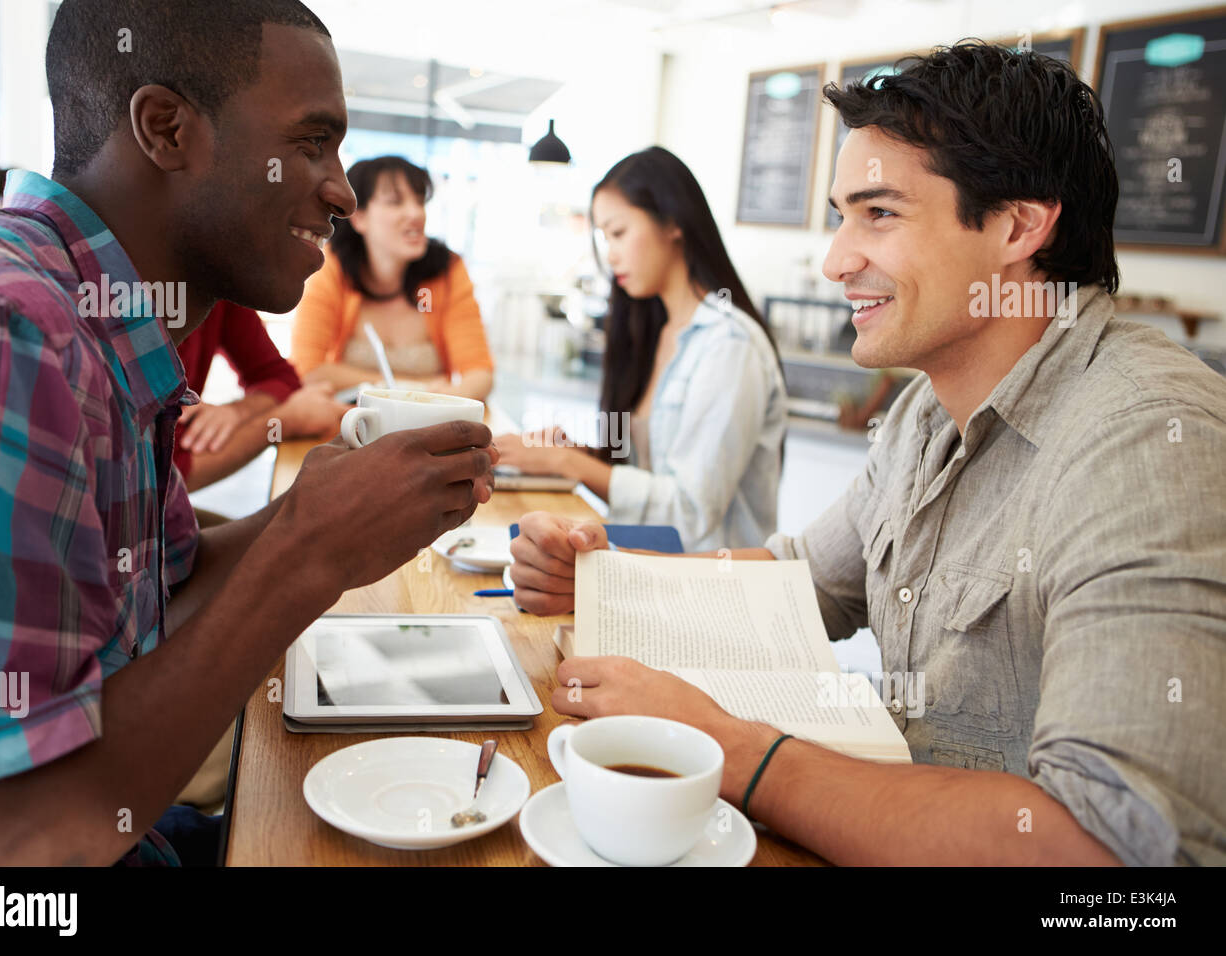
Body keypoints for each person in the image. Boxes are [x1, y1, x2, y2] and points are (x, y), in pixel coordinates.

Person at [508, 43, 1226, 865]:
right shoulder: (927, 409)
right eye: (842, 215)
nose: (835, 260)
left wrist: (731, 748)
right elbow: (800, 580)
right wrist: (606, 581)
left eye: (878, 214)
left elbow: (1116, 853)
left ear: (1018, 225)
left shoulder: (1151, 439)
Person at [0, 0, 496, 866]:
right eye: (312, 143)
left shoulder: (102, 317)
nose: (342, 191)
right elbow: (0, 844)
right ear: (165, 129)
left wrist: (323, 508)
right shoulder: (2, 324)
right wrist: (310, 552)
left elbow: (165, 591)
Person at [495, 147, 787, 551]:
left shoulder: (729, 345)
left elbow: (691, 513)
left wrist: (569, 464)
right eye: (604, 238)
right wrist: (576, 453)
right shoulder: (656, 332)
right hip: (648, 573)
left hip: (713, 594)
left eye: (618, 233)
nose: (610, 254)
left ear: (672, 223)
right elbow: (651, 478)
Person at [290, 155, 494, 401]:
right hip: (353, 421)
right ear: (360, 218)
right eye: (395, 202)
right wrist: (406, 387)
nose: (416, 213)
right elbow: (307, 369)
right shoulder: (332, 269)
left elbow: (479, 372)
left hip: (429, 421)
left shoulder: (448, 270)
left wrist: (454, 398)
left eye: (419, 201)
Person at [174, 300, 349, 491]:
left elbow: (280, 377)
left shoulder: (220, 286)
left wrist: (238, 412)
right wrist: (283, 423)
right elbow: (170, 472)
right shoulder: (147, 305)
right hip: (151, 513)